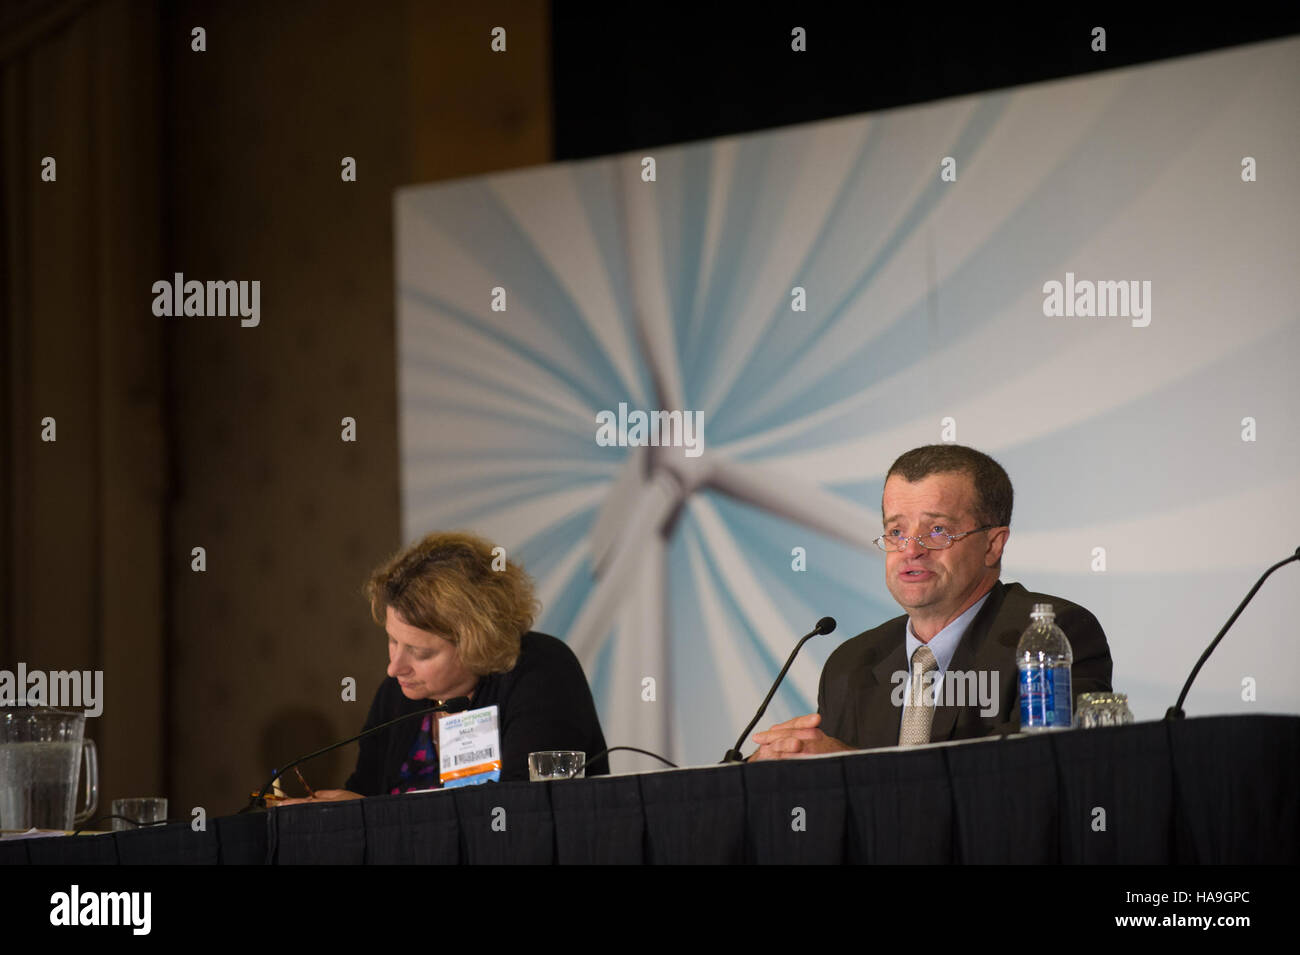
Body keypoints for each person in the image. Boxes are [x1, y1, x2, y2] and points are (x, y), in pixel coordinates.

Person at [750, 445, 1112, 759]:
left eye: (937, 530)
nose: (911, 550)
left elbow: (1031, 774)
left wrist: (850, 767)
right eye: (896, 531)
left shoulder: (1050, 636)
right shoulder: (851, 663)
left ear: (992, 545)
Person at [279, 531, 608, 803]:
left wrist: (374, 816)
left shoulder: (541, 671)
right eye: (393, 641)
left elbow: (522, 812)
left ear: (477, 643)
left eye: (419, 653)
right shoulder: (396, 696)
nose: (394, 668)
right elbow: (366, 791)